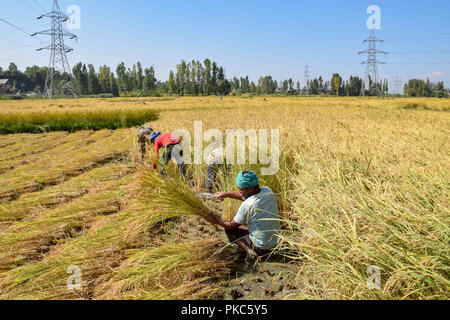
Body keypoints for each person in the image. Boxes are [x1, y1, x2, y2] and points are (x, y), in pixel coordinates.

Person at [208, 171, 281, 262]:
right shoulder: (267, 191)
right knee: (244, 226)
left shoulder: (248, 204)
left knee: (230, 230)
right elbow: (244, 196)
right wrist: (226, 194)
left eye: (241, 189)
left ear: (250, 189)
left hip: (261, 248)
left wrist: (216, 220)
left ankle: (251, 251)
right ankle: (258, 249)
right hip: (274, 244)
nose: (240, 192)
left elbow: (231, 225)